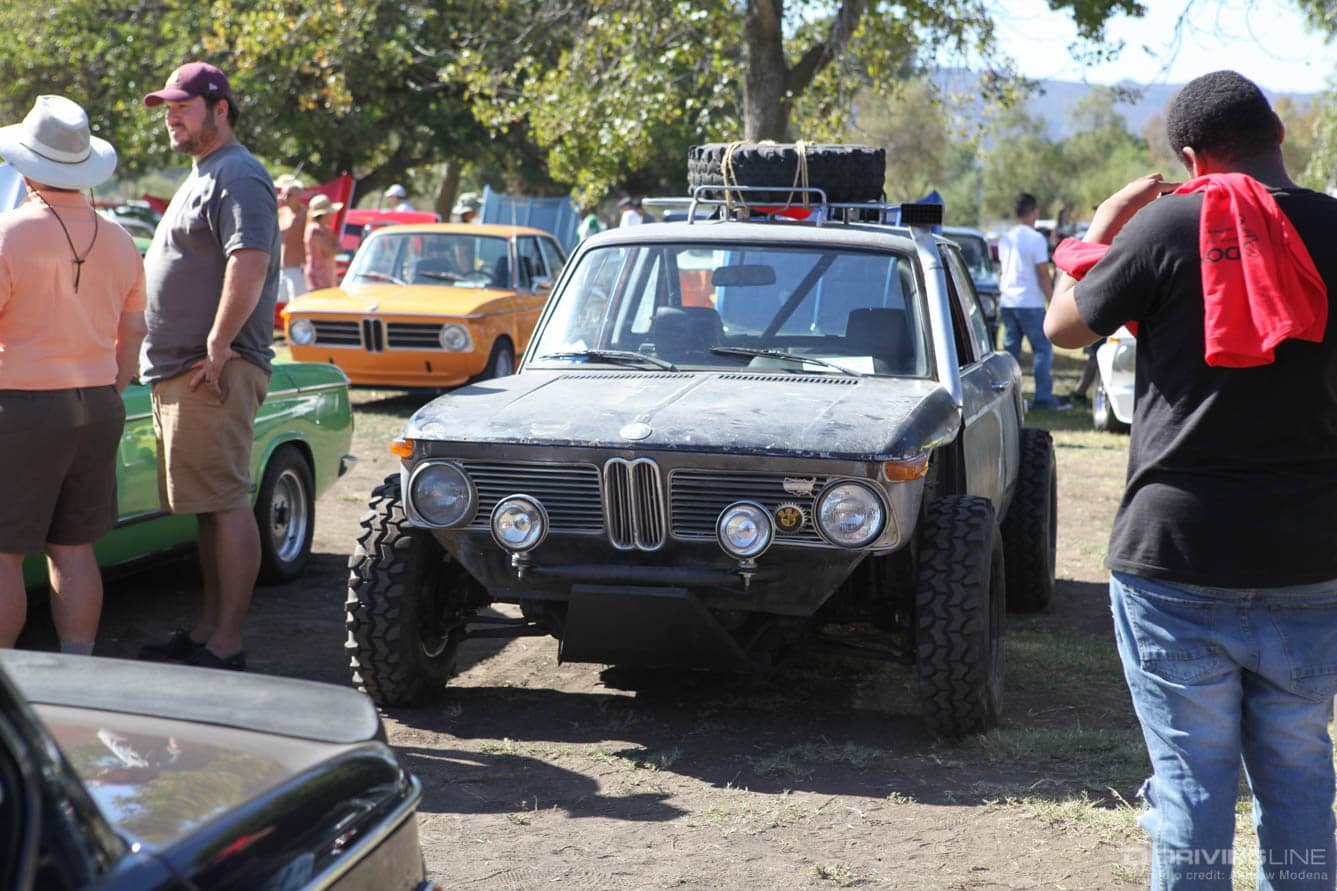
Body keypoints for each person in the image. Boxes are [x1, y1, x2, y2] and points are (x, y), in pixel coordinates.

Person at [1045, 70, 1337, 889]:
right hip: (1308, 558)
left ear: (1188, 156)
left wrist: (1106, 221)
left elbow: (1063, 325)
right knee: (1301, 776)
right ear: (1278, 134)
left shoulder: (1169, 224)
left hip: (1174, 555)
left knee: (1192, 785)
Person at [137, 61, 281, 672]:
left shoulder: (240, 173)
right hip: (185, 371)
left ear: (220, 109)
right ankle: (207, 632)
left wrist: (220, 345)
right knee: (209, 505)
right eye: (167, 107)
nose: (171, 116)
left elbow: (248, 262)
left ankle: (227, 643)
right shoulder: (204, 173)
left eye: (184, 106)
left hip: (213, 369)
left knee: (225, 503)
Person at [0, 96, 146, 654]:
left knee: (5, 550)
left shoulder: (10, 234)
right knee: (74, 547)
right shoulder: (120, 239)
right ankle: (79, 668)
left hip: (22, 406)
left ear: (29, 166)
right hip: (97, 401)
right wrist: (113, 383)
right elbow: (131, 333)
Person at [998, 192, 1066, 410]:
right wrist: (1054, 300)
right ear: (1034, 212)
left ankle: (1010, 399)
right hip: (1030, 302)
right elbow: (1043, 274)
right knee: (1042, 349)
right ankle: (1043, 397)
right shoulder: (1036, 239)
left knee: (1011, 353)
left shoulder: (1006, 237)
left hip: (1008, 301)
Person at [274, 174, 306, 309]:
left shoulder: (306, 214)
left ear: (299, 197)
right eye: (284, 195)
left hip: (297, 267)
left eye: (289, 195)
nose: (285, 198)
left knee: (298, 302)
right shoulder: (281, 213)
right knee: (279, 302)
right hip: (281, 267)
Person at [303, 194, 342, 291]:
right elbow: (329, 251)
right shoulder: (314, 230)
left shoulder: (326, 229)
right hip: (317, 276)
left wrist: (335, 248)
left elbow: (339, 248)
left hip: (327, 274)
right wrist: (335, 249)